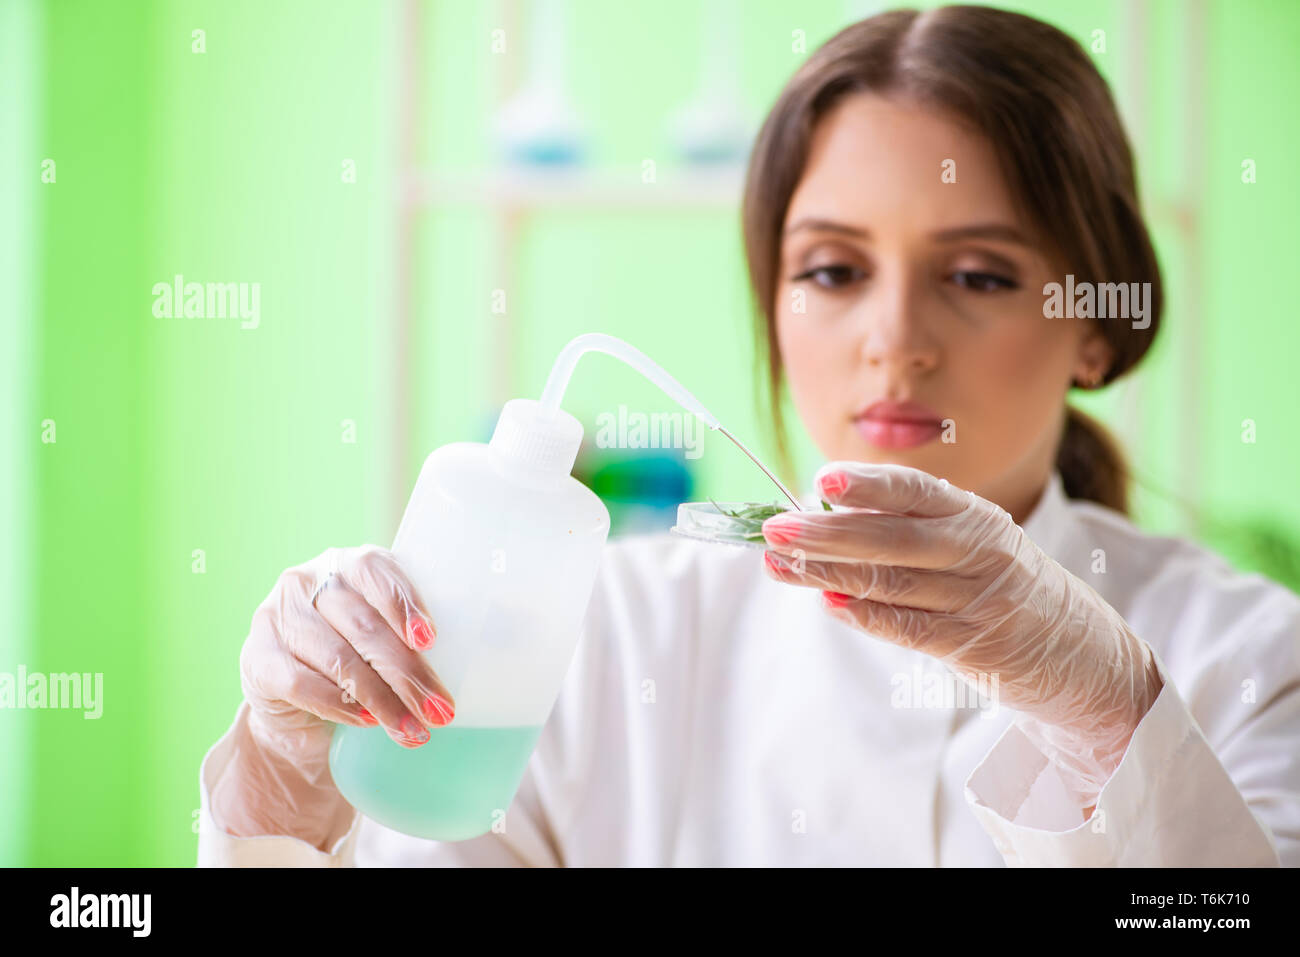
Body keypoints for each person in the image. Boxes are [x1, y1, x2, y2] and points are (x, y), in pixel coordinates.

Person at [198, 5, 1298, 866]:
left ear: (1092, 331)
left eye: (978, 275)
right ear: (772, 305)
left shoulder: (1250, 658)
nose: (895, 340)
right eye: (831, 270)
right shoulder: (603, 638)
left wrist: (1106, 712)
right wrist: (285, 782)